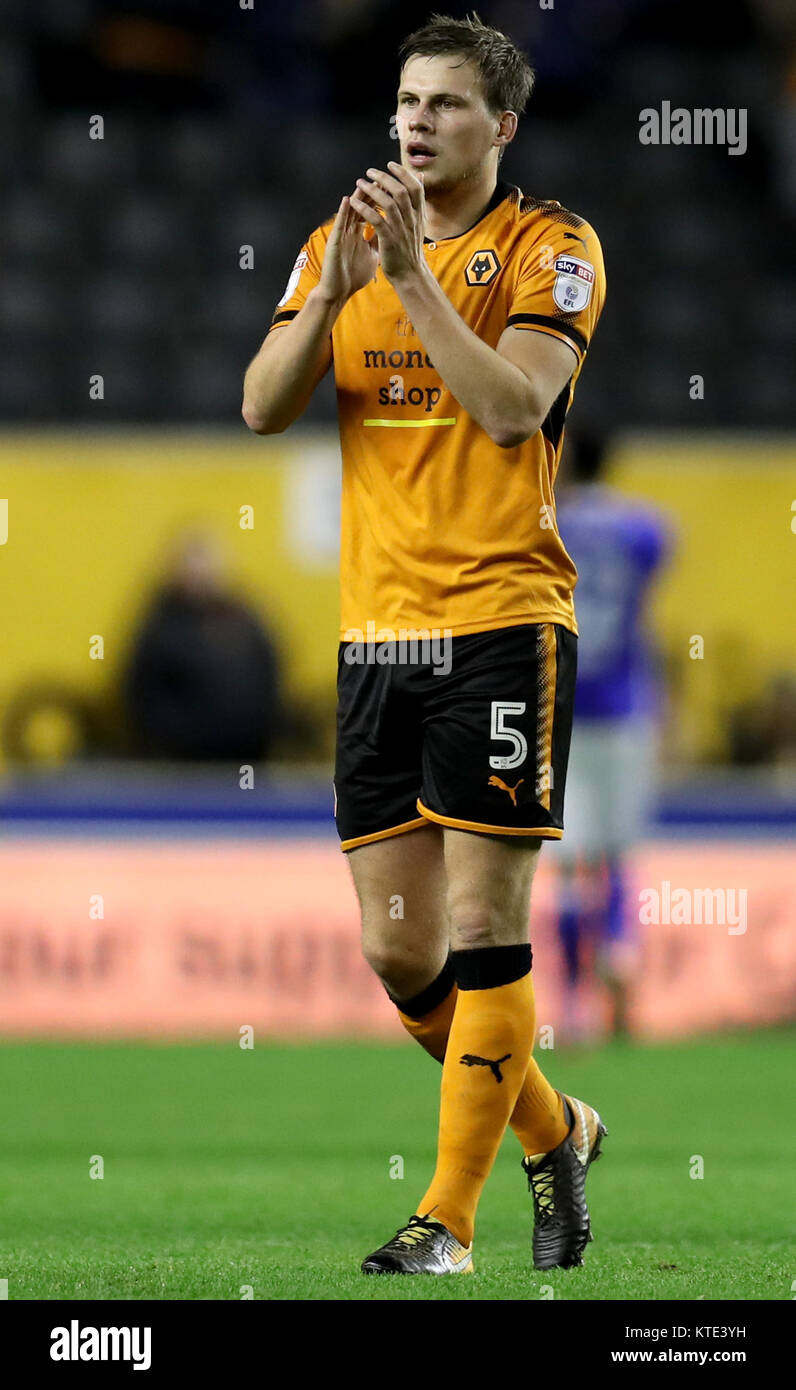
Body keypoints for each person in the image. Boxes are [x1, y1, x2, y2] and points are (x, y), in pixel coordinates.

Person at [243, 13, 607, 1276]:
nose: (415, 121)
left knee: (488, 922)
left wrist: (407, 282)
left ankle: (445, 1221)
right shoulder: (337, 246)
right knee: (403, 952)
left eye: (447, 104)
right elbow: (259, 405)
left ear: (500, 125)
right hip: (376, 637)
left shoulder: (551, 248)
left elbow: (513, 409)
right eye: (406, 99)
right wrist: (337, 292)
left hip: (505, 620)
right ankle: (556, 1128)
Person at [553, 434, 671, 1042]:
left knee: (569, 865)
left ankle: (573, 1002)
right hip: (627, 708)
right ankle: (620, 947)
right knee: (619, 855)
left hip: (562, 710)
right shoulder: (646, 529)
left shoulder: (552, 523)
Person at [123, 529, 283, 762]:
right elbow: (141, 695)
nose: (199, 573)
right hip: (180, 768)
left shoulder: (247, 622)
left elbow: (270, 678)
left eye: (205, 562)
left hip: (246, 761)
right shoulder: (157, 628)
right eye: (191, 563)